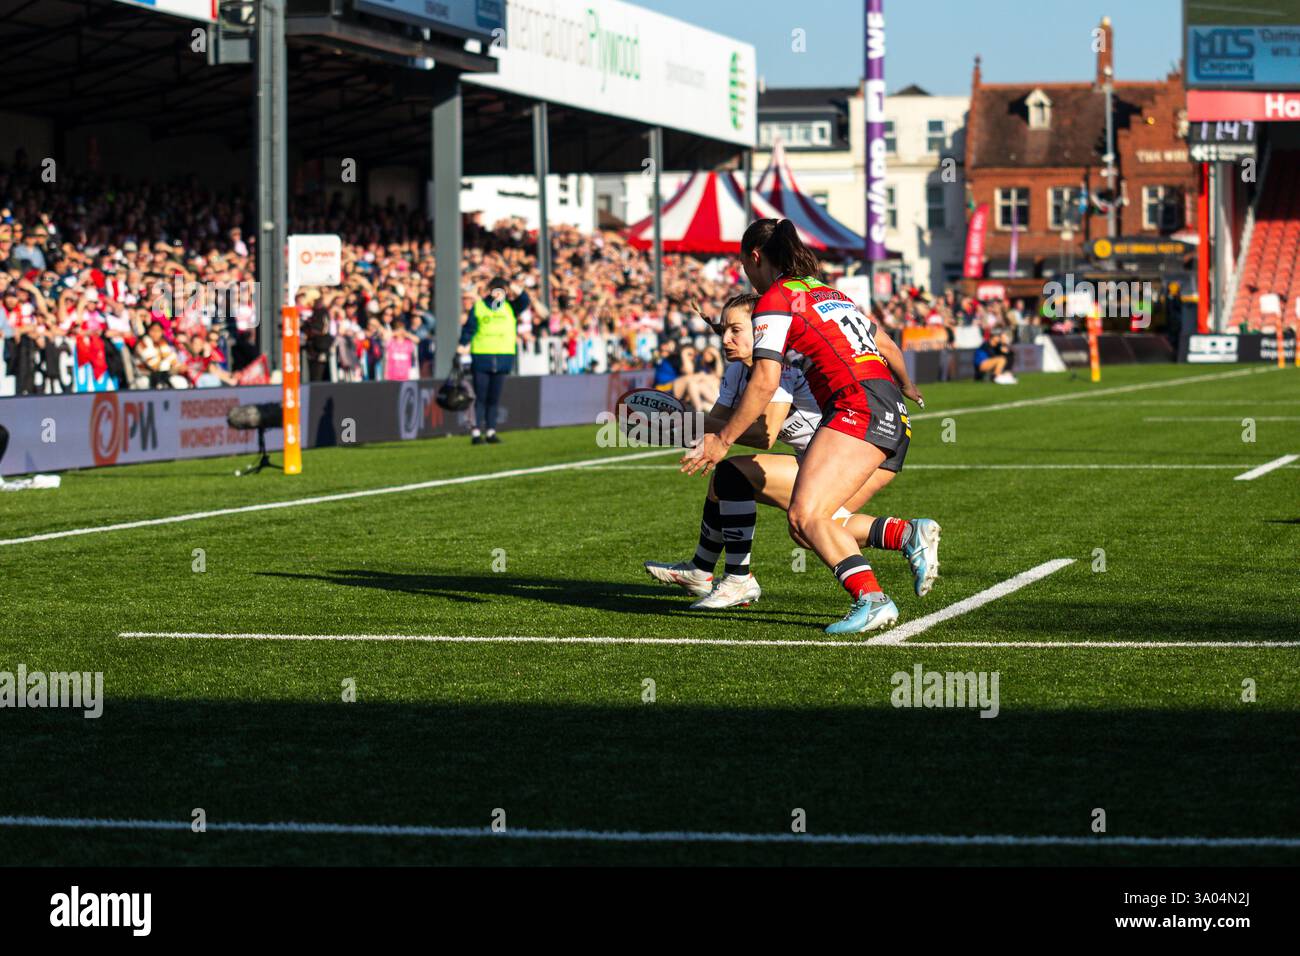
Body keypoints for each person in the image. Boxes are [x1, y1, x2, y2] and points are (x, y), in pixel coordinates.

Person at [682, 219, 927, 635]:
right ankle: (902, 542)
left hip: (857, 407)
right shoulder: (825, 291)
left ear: (755, 257)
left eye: (745, 268)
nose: (748, 280)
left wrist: (722, 439)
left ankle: (872, 598)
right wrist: (906, 385)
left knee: (807, 515)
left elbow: (764, 381)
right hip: (888, 409)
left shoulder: (775, 300)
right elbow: (884, 342)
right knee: (810, 522)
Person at [646, 292, 940, 610]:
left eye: (735, 329)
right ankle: (701, 571)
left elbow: (765, 434)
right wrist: (678, 427)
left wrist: (693, 426)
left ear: (760, 327)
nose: (726, 339)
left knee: (736, 477)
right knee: (800, 526)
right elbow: (717, 422)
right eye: (723, 330)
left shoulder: (781, 366)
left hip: (855, 450)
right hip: (845, 448)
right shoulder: (736, 371)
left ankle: (737, 579)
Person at [458, 278, 537, 445]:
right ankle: (476, 432)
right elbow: (469, 328)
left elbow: (525, 300)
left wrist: (514, 286)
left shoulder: (510, 306)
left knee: (494, 397)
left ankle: (491, 431)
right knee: (480, 397)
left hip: (503, 357)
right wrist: (462, 344)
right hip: (482, 356)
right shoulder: (479, 307)